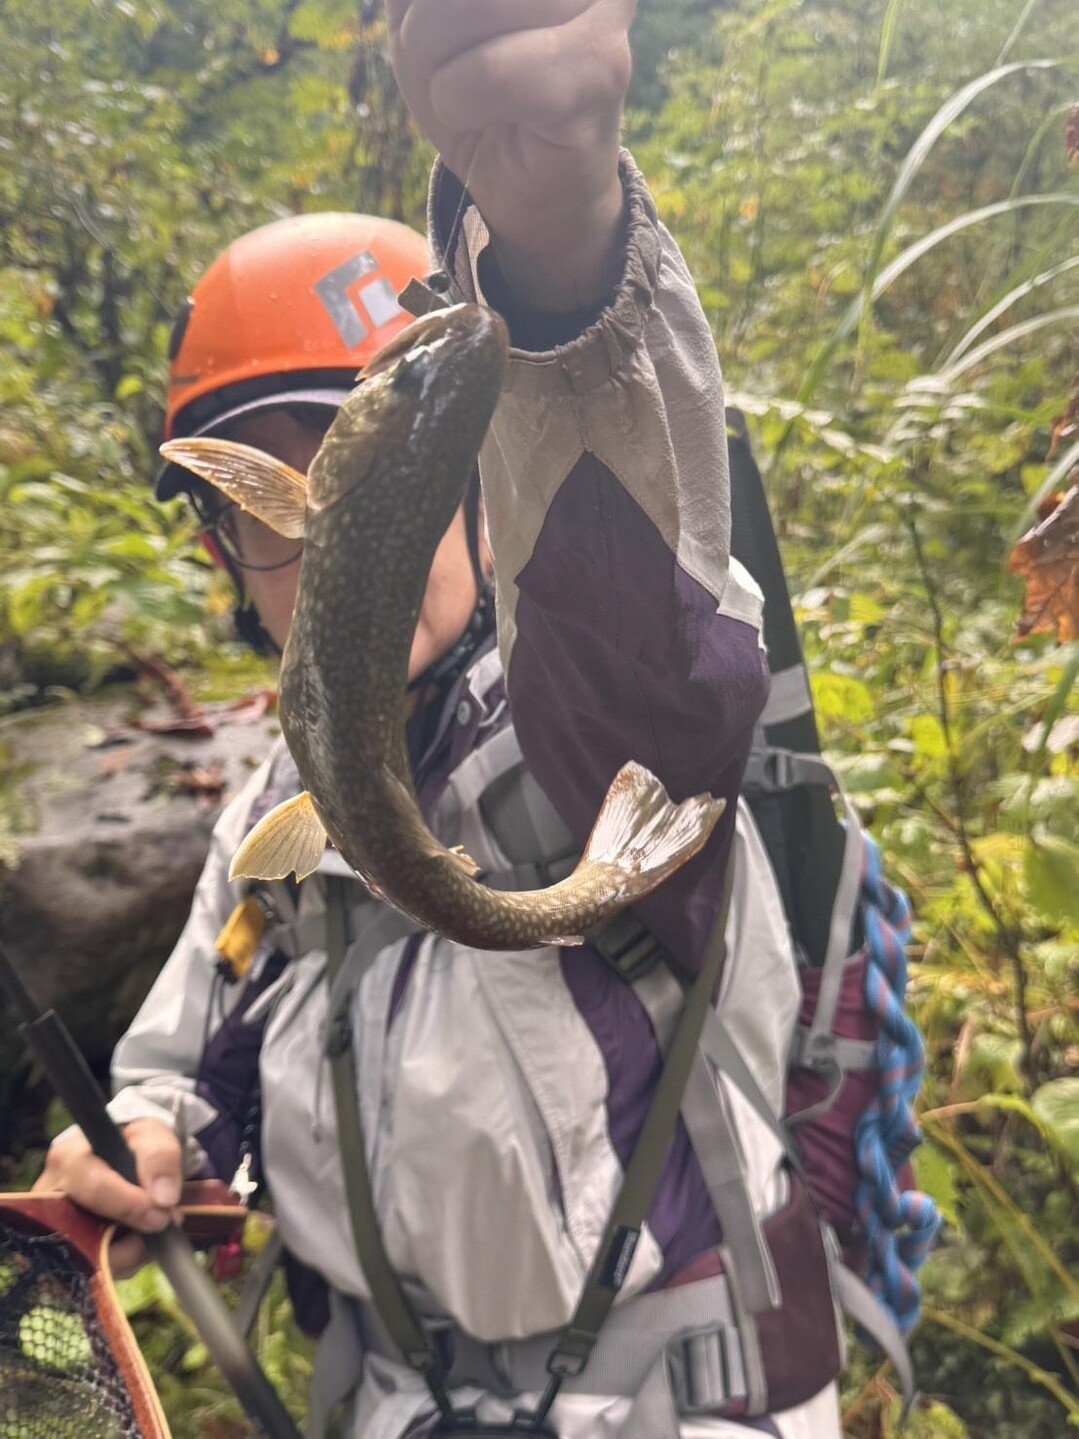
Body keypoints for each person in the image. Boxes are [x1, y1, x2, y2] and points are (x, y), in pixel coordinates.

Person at [35, 3, 848, 1434]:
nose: (366, 551)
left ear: (486, 492)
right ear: (231, 545)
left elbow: (645, 629)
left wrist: (555, 249)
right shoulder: (267, 826)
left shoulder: (585, 726)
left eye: (388, 494)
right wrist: (153, 1136)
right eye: (273, 516)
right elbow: (193, 1058)